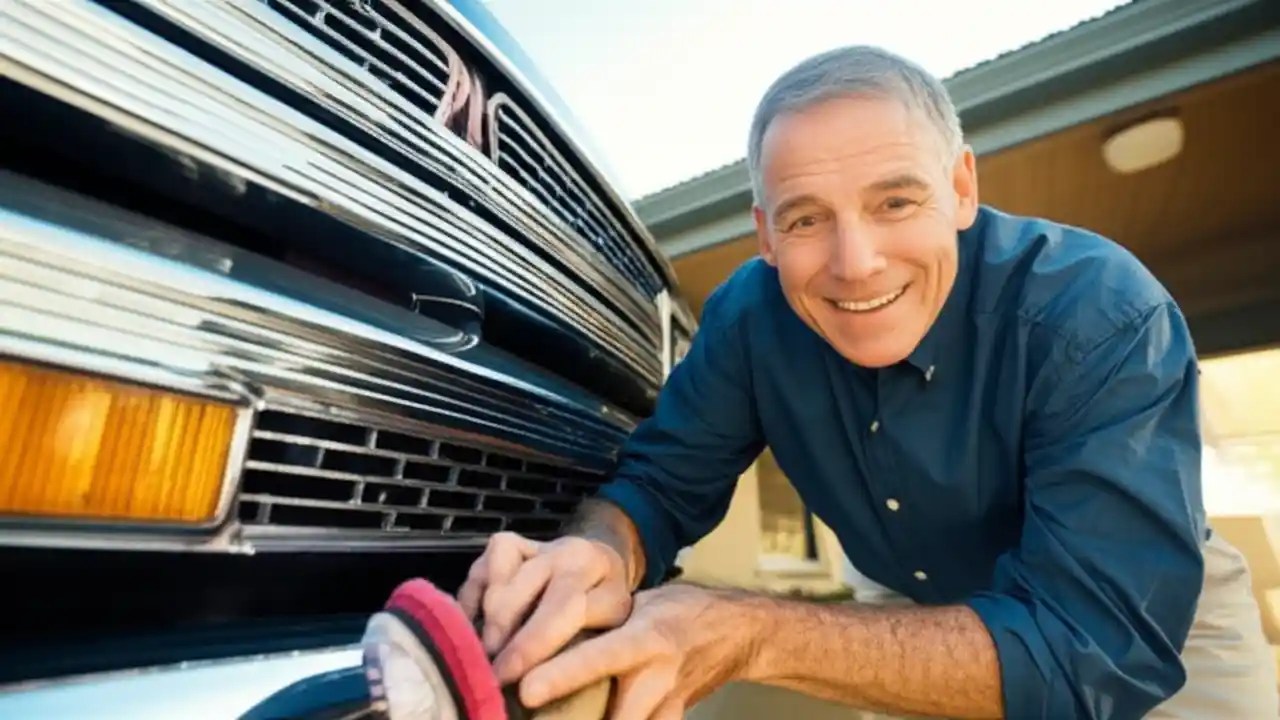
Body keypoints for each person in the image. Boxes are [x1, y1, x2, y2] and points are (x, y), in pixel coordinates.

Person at [457, 45, 1278, 719]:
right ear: (766, 234)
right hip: (909, 607)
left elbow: (1089, 650)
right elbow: (657, 486)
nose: (855, 265)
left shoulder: (1097, 311)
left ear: (961, 189)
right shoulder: (748, 320)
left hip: (1143, 621)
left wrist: (745, 629)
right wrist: (596, 549)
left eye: (894, 202)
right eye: (807, 218)